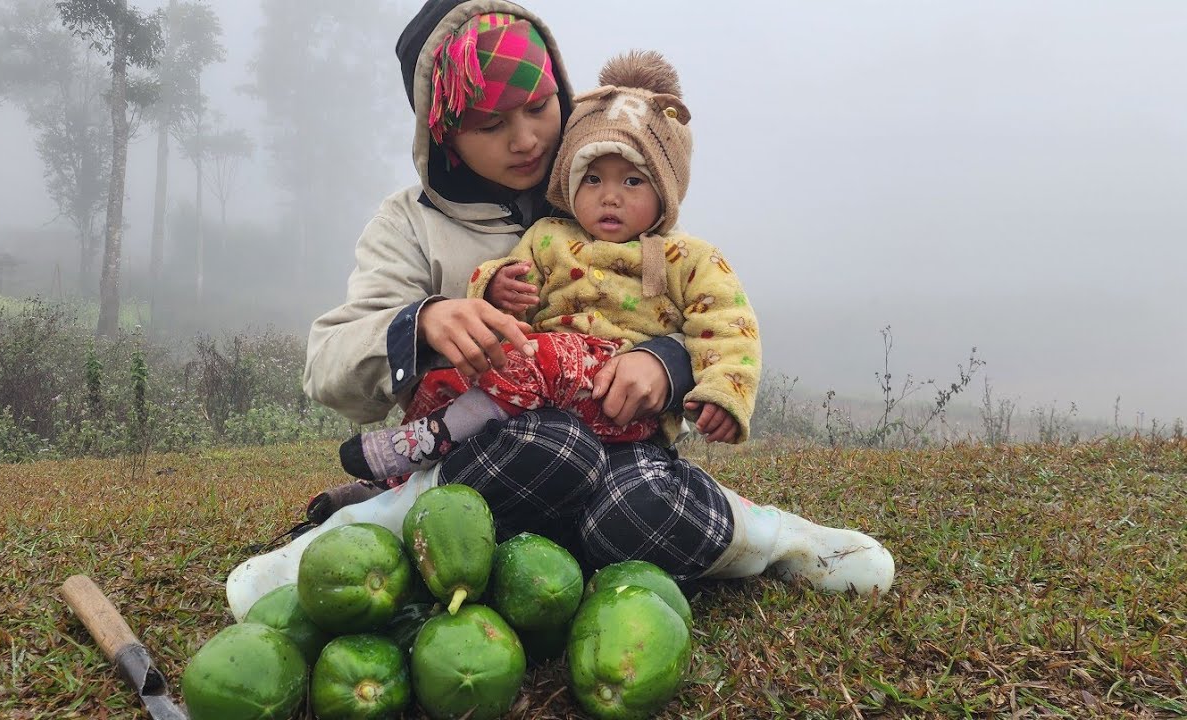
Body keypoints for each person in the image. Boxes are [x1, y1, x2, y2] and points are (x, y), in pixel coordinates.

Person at [225, 0, 894, 620]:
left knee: (634, 506)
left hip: (620, 464)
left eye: (540, 105)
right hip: (489, 472)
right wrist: (424, 322)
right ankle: (365, 531)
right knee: (559, 448)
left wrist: (665, 364)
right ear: (445, 136)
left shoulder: (603, 182)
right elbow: (328, 367)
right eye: (491, 124)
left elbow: (700, 313)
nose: (526, 139)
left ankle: (771, 539)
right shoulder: (409, 225)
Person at [338, 50, 759, 484]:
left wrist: (705, 381)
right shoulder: (547, 236)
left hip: (619, 412)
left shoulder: (680, 255)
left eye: (633, 181)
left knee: (554, 364)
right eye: (593, 179)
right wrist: (492, 291)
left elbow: (728, 322)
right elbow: (511, 292)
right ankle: (387, 484)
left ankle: (432, 444)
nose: (610, 196)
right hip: (528, 411)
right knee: (464, 374)